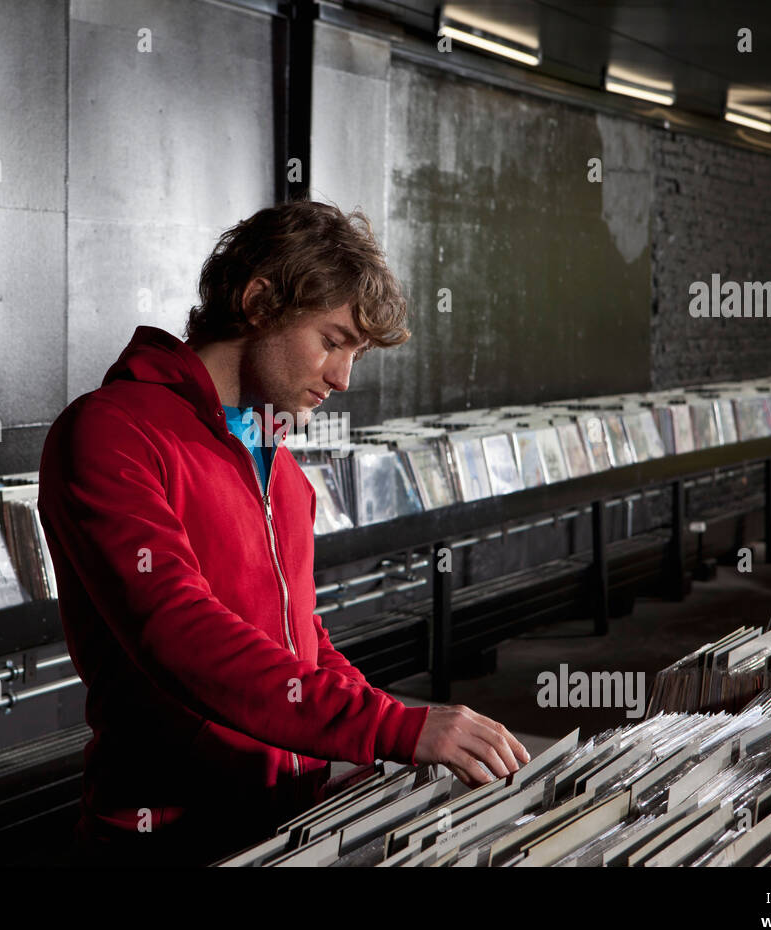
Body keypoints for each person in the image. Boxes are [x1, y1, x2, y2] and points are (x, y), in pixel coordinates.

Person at [38, 199, 528, 867]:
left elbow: (302, 641)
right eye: (331, 341)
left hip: (292, 826)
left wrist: (391, 728)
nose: (343, 379)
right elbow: (178, 633)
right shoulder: (111, 432)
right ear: (260, 301)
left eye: (353, 354)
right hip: (171, 841)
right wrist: (390, 726)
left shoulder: (281, 466)